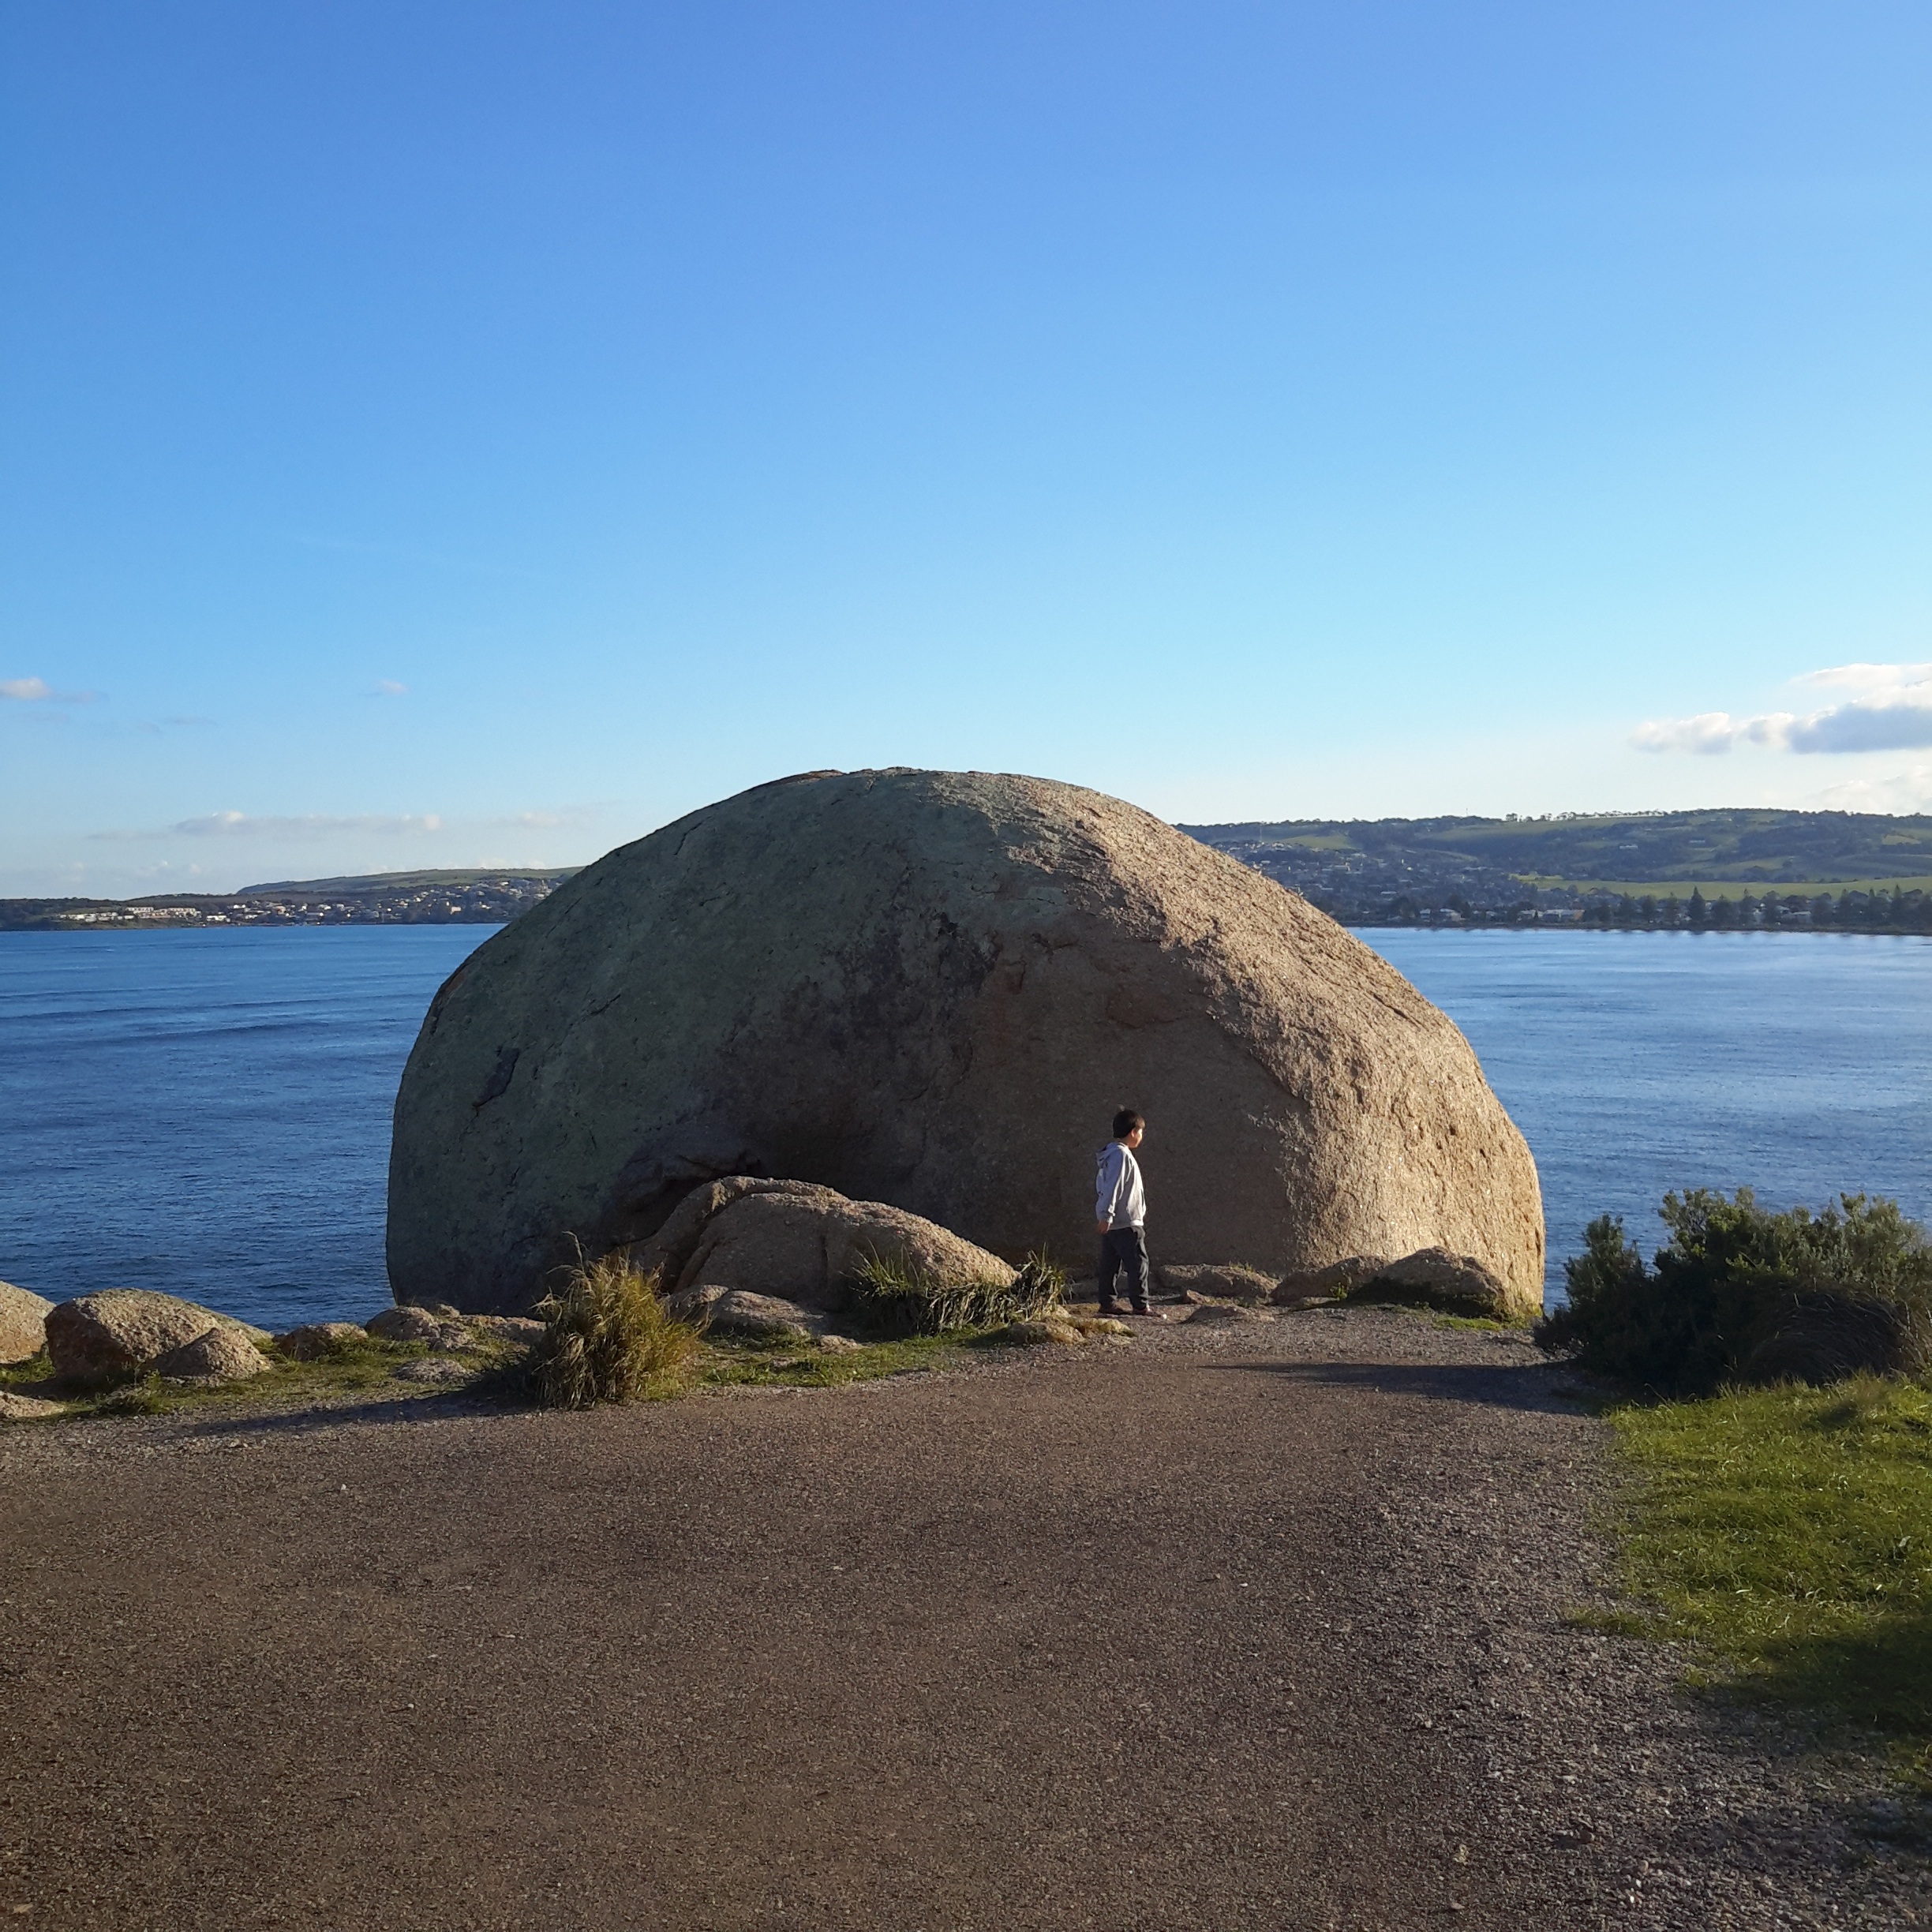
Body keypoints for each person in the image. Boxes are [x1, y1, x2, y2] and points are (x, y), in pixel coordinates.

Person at [1095, 1107, 1165, 1319]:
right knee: (1138, 1264)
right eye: (1141, 1132)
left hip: (1114, 1222)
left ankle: (1107, 1303)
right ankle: (1141, 1306)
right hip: (1125, 1221)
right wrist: (1107, 1214)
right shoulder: (1121, 1156)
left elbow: (1104, 1186)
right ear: (1133, 1132)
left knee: (1110, 1264)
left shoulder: (1109, 1155)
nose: (1142, 1137)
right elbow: (1113, 1186)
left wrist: (1105, 1216)